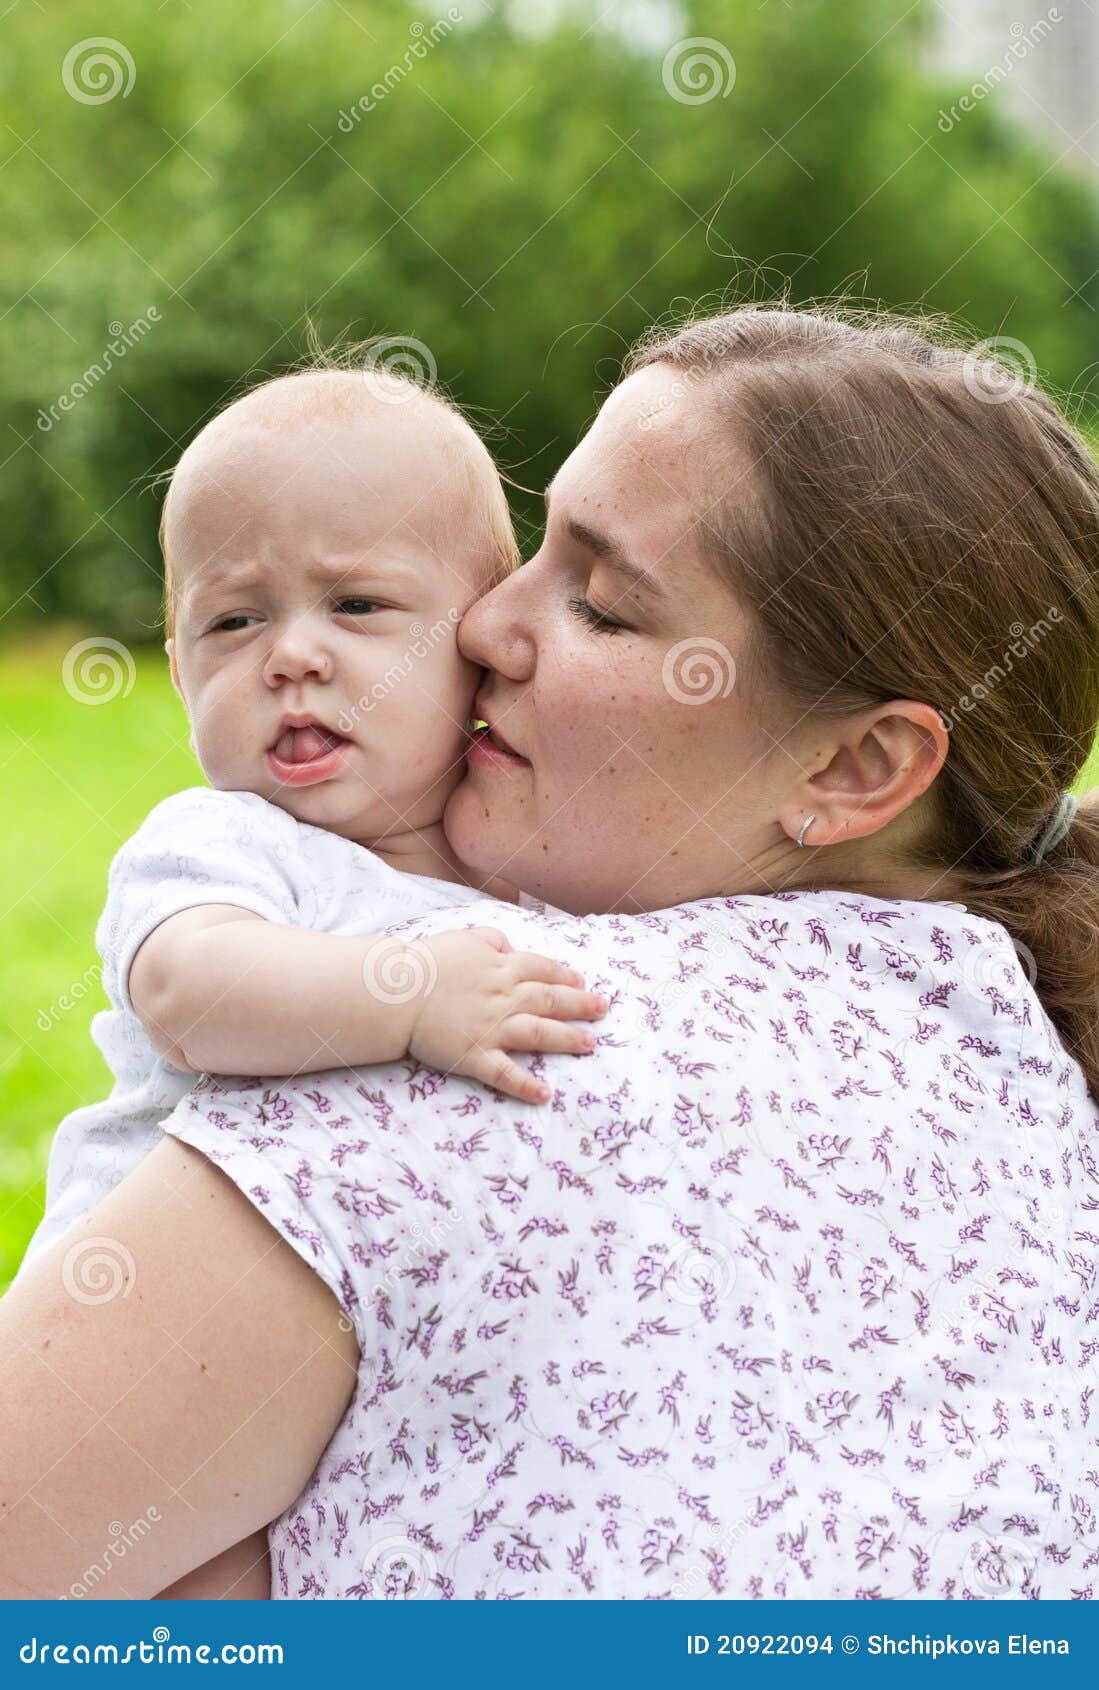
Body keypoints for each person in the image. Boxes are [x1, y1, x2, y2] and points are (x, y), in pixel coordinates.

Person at [3, 304, 1099, 1601]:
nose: (480, 629)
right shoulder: (1030, 1076)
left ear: (853, 763)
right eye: (528, 555)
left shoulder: (486, 1057)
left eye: (597, 602)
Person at [21, 366, 609, 1271]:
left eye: (357, 605)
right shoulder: (224, 842)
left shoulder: (531, 859)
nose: (292, 655)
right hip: (140, 1308)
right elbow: (191, 995)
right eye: (233, 623)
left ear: (479, 635)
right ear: (180, 675)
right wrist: (409, 994)